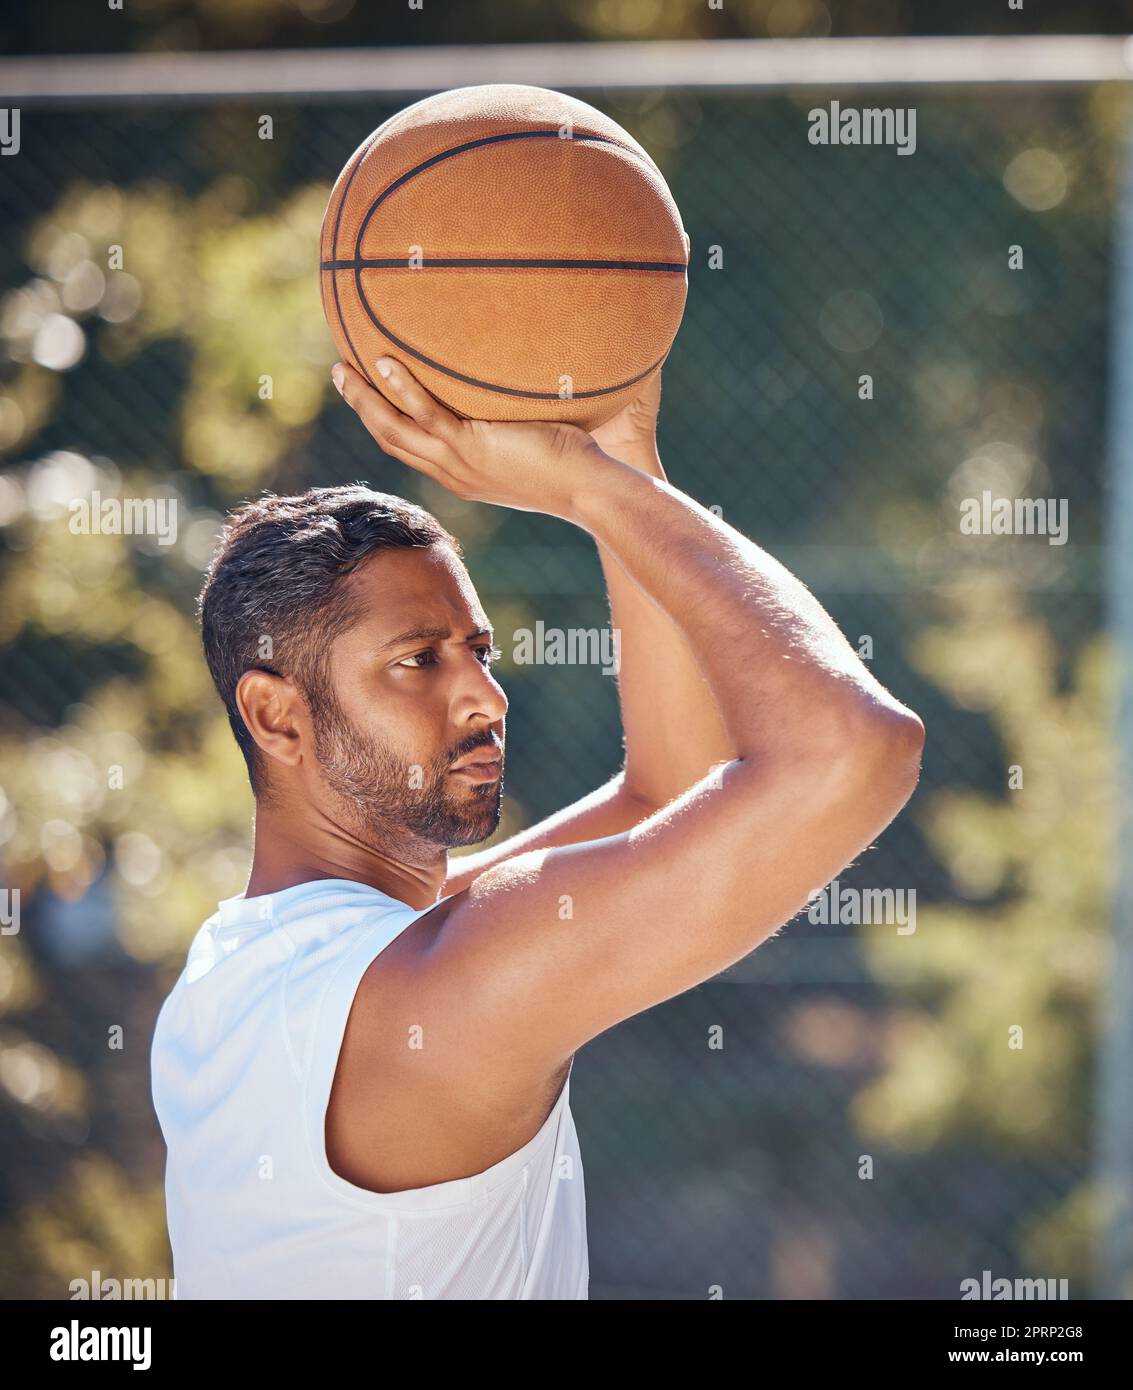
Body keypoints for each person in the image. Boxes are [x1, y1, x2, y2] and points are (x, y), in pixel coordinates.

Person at [150, 355, 924, 1300]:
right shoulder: (435, 990)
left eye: (477, 649)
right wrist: (583, 485)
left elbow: (665, 798)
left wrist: (622, 460)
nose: (484, 693)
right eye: (416, 661)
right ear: (277, 716)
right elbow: (853, 749)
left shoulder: (236, 972)